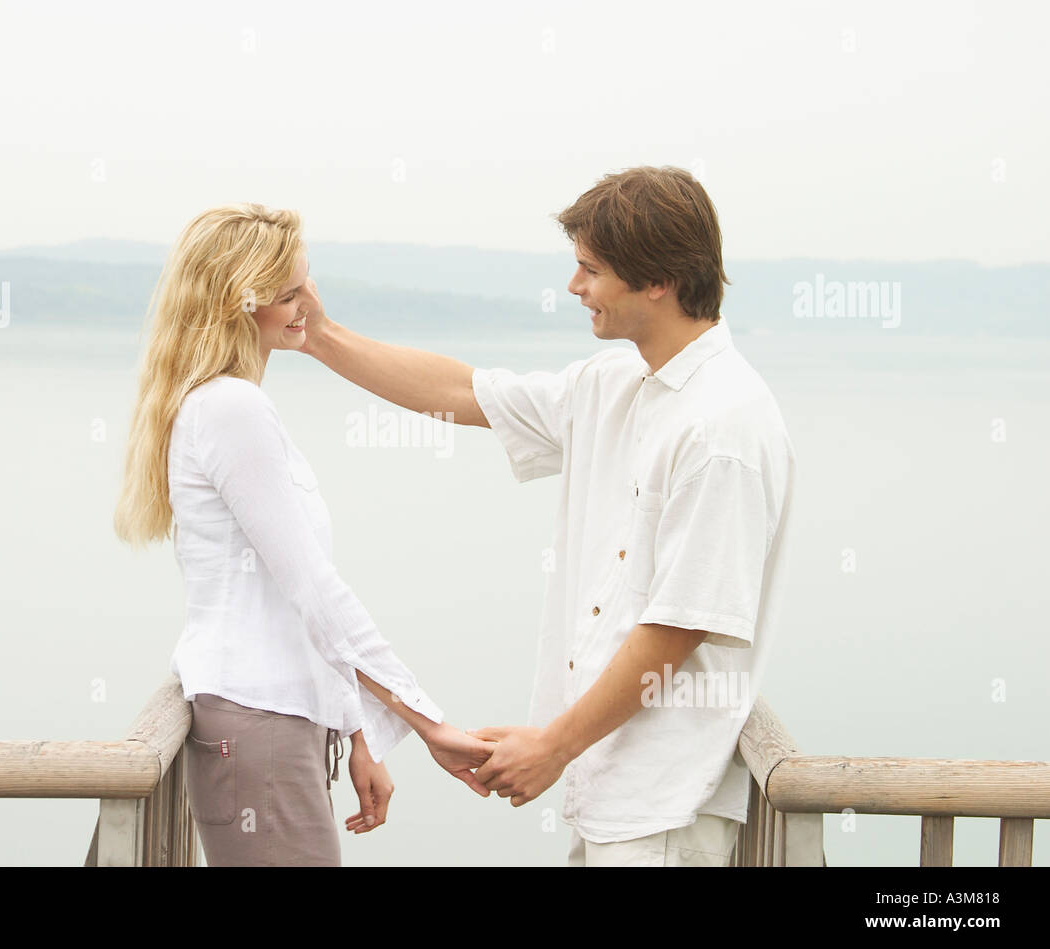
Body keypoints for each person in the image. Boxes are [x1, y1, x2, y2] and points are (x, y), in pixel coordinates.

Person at [299, 166, 797, 867]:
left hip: (665, 804)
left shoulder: (726, 427)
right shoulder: (614, 383)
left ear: (656, 280)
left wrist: (554, 745)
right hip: (610, 790)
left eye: (590, 271)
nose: (574, 288)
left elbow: (679, 626)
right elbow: (460, 392)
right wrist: (319, 336)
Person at [113, 203, 494, 867]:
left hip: (270, 724)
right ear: (240, 303)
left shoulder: (220, 404)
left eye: (307, 285)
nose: (307, 307)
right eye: (289, 294)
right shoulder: (232, 408)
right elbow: (315, 591)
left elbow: (295, 605)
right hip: (257, 732)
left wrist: (357, 733)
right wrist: (430, 723)